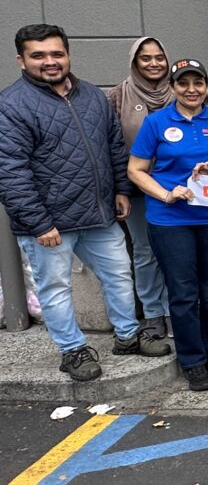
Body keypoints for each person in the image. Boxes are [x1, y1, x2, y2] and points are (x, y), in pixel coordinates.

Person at [0, 24, 171, 382]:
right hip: (49, 223)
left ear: (68, 55)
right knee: (56, 287)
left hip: (98, 213)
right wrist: (37, 222)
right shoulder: (11, 106)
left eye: (56, 53)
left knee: (120, 274)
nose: (50, 62)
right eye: (39, 55)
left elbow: (113, 146)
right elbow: (10, 170)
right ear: (21, 60)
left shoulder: (91, 95)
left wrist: (122, 190)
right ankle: (72, 349)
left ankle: (127, 335)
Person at [128, 58, 208, 391]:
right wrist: (166, 194)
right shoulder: (156, 122)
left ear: (206, 87)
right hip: (171, 219)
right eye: (183, 83)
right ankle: (192, 360)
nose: (191, 90)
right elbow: (135, 170)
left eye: (198, 83)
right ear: (172, 87)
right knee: (182, 292)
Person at [106, 36, 173, 339]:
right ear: (135, 62)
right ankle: (153, 313)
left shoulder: (181, 90)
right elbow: (111, 146)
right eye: (145, 58)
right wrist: (120, 188)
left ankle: (176, 310)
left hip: (178, 190)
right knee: (145, 252)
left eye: (159, 57)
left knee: (175, 252)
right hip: (138, 189)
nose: (154, 63)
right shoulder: (118, 95)